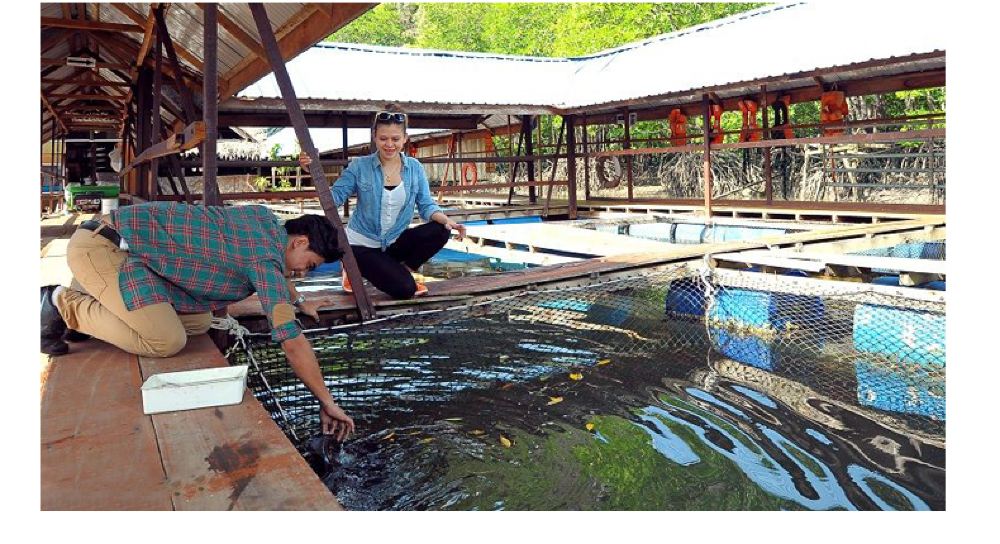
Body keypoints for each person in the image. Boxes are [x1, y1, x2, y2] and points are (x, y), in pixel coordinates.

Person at [40, 202, 355, 439]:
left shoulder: (266, 221)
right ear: (299, 242)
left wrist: (299, 300)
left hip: (135, 257)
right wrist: (326, 400)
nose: (304, 272)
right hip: (103, 248)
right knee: (165, 341)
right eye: (310, 265)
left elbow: (278, 269)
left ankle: (93, 304)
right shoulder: (265, 258)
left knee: (200, 323)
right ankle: (59, 302)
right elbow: (292, 342)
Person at [299, 109, 466, 299]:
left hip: (394, 243)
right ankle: (353, 266)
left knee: (441, 229)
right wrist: (314, 172)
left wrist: (448, 221)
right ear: (374, 137)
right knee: (405, 290)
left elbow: (426, 205)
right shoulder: (359, 166)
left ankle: (401, 270)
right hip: (361, 245)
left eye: (395, 139)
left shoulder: (415, 168)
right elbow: (334, 198)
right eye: (383, 138)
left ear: (405, 138)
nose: (389, 145)